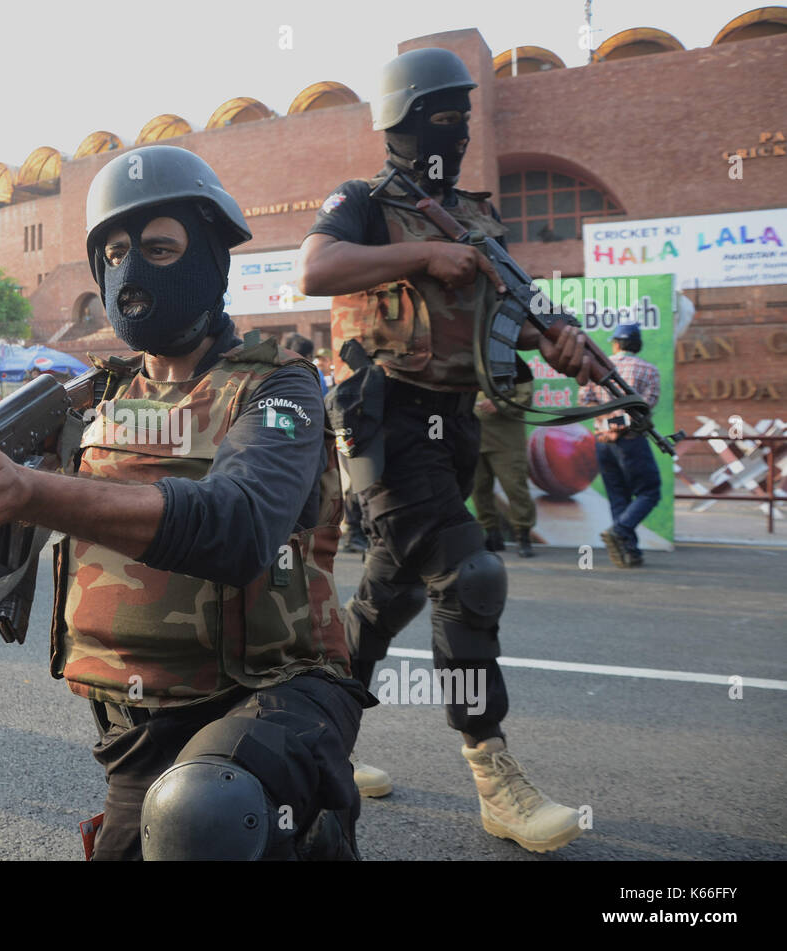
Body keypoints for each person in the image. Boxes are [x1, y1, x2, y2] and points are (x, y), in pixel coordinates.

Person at [0, 145, 371, 860]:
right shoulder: (94, 397)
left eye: (159, 248)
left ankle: (313, 834)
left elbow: (240, 527)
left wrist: (31, 489)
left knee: (206, 814)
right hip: (136, 725)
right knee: (165, 825)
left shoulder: (282, 390)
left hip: (276, 692)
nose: (133, 272)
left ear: (211, 258)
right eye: (114, 253)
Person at [298, 48, 595, 853]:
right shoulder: (363, 201)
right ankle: (490, 766)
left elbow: (522, 314)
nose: (456, 130)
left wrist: (560, 343)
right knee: (471, 574)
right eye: (441, 115)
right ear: (400, 121)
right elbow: (316, 268)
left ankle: (320, 744)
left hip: (457, 420)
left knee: (385, 598)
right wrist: (423, 253)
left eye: (465, 116)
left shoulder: (477, 216)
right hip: (385, 419)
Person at [578, 322, 661, 568]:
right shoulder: (648, 370)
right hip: (631, 440)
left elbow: (586, 401)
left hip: (603, 442)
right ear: (637, 344)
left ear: (615, 344)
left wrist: (606, 425)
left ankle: (629, 553)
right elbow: (642, 408)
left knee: (618, 496)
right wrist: (616, 427)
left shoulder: (598, 367)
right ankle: (621, 530)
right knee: (649, 491)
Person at [472, 380, 537, 558]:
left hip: (507, 440)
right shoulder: (468, 362)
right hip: (473, 436)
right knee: (478, 489)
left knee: (515, 486)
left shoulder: (513, 364)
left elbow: (525, 398)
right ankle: (492, 534)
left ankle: (523, 535)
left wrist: (498, 405)